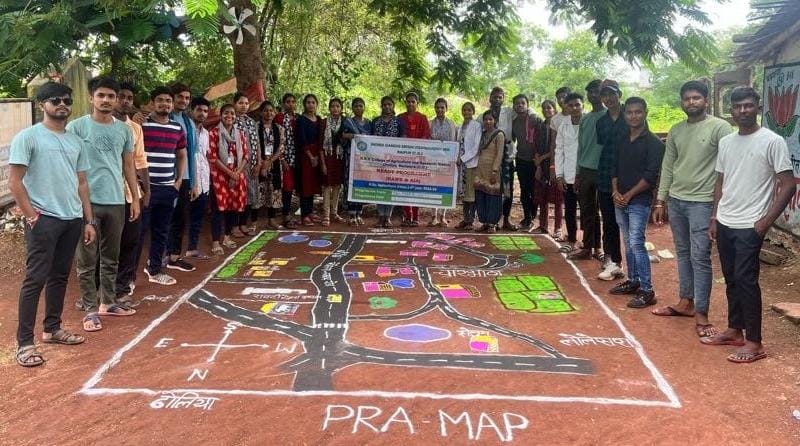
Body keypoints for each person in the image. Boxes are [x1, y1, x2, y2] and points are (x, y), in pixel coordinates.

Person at [701, 86, 794, 363]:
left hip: (750, 224)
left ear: (758, 106)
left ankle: (755, 342)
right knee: (731, 278)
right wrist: (715, 216)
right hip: (726, 220)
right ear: (731, 110)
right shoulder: (727, 142)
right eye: (738, 106)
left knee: (746, 280)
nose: (743, 110)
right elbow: (720, 181)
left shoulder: (772, 141)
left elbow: (788, 183)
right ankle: (734, 330)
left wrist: (766, 222)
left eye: (748, 105)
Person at [9, 82, 96, 367]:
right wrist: (32, 215)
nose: (62, 105)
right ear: (41, 104)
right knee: (35, 279)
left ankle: (52, 328)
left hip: (72, 219)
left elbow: (82, 183)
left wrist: (87, 219)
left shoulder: (75, 142)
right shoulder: (29, 137)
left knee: (60, 276)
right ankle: (24, 343)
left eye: (67, 101)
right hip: (44, 219)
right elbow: (15, 181)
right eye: (55, 100)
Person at [651, 80, 733, 337]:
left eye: (696, 98)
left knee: (700, 257)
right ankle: (685, 302)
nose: (691, 102)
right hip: (677, 200)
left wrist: (719, 210)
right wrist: (661, 200)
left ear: (706, 100)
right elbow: (668, 165)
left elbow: (727, 167)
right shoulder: (676, 130)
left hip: (703, 202)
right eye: (687, 99)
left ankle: (702, 314)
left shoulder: (720, 127)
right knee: (684, 253)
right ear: (682, 102)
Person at [68, 76, 139, 327]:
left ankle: (107, 302)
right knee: (86, 259)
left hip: (116, 201)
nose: (106, 100)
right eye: (101, 95)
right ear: (91, 98)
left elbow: (128, 165)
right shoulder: (76, 128)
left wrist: (135, 198)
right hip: (86, 202)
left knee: (111, 256)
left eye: (111, 96)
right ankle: (89, 310)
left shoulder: (124, 130)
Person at [610, 97, 665, 308]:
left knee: (636, 242)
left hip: (639, 201)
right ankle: (633, 281)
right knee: (627, 240)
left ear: (645, 113)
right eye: (630, 112)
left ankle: (647, 290)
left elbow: (650, 176)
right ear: (625, 115)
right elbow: (614, 167)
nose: (634, 116)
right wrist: (615, 191)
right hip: (620, 198)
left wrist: (629, 194)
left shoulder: (653, 144)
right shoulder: (622, 139)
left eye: (638, 112)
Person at [138, 86, 188, 286]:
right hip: (146, 188)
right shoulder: (142, 125)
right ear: (153, 103)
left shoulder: (177, 128)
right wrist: (140, 185)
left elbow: (182, 154)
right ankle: (128, 280)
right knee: (139, 233)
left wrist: (178, 181)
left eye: (168, 100)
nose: (165, 104)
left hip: (168, 188)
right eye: (160, 100)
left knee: (161, 231)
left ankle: (155, 269)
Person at [114, 82, 149, 306]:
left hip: (130, 193)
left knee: (130, 242)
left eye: (129, 97)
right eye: (121, 96)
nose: (125, 101)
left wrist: (146, 190)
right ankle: (97, 290)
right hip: (104, 196)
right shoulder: (90, 126)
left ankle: (122, 289)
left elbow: (140, 160)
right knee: (105, 245)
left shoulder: (135, 129)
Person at [569, 79, 606, 261]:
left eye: (597, 91)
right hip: (585, 170)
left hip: (604, 171)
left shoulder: (610, 117)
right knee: (586, 210)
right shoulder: (586, 119)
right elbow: (580, 147)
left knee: (603, 212)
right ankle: (587, 247)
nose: (594, 95)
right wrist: (577, 174)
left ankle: (600, 248)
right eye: (590, 92)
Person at [595, 79, 626, 281]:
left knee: (629, 222)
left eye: (611, 94)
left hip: (627, 175)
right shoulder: (601, 122)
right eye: (604, 95)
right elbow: (602, 147)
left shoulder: (631, 115)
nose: (608, 98)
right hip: (606, 173)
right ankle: (613, 259)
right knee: (609, 220)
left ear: (619, 94)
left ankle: (629, 264)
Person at [165, 83, 198, 273]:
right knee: (164, 217)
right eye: (180, 97)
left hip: (184, 176)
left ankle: (174, 256)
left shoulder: (188, 121)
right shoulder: (165, 118)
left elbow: (191, 154)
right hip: (166, 176)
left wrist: (193, 182)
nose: (183, 101)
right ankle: (158, 257)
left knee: (180, 217)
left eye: (187, 98)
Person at [208, 104, 249, 255]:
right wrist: (230, 174)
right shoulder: (214, 133)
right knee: (219, 210)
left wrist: (236, 173)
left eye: (232, 113)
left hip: (237, 176)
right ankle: (215, 242)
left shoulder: (240, 134)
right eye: (226, 113)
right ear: (221, 115)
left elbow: (245, 156)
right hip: (220, 177)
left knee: (233, 208)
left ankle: (227, 237)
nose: (229, 116)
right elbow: (213, 157)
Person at [511, 94, 548, 231]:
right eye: (517, 103)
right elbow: (512, 140)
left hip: (535, 160)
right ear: (514, 106)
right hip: (521, 159)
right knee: (524, 190)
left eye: (522, 103)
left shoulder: (535, 119)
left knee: (535, 189)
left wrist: (541, 159)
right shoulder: (514, 122)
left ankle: (532, 215)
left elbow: (543, 138)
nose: (520, 105)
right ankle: (527, 217)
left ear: (527, 105)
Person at [554, 93, 583, 253]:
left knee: (588, 210)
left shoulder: (588, 122)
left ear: (582, 105)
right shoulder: (563, 125)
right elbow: (559, 150)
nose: (574, 108)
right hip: (567, 175)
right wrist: (559, 175)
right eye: (571, 105)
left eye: (577, 105)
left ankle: (590, 243)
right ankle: (572, 240)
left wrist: (581, 174)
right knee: (570, 210)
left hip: (585, 176)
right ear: (566, 106)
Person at [398, 91, 431, 226]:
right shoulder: (399, 118)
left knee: (416, 187)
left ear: (417, 103)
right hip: (403, 159)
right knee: (405, 186)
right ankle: (407, 216)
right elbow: (396, 137)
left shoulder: (423, 118)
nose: (410, 104)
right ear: (405, 102)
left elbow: (426, 136)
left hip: (418, 159)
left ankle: (416, 217)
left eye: (413, 101)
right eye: (408, 101)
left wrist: (416, 148)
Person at [372, 96, 406, 227]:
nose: (387, 107)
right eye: (384, 104)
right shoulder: (375, 121)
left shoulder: (399, 122)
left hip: (393, 161)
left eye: (389, 104)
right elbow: (369, 139)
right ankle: (381, 216)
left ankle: (388, 217)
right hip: (377, 160)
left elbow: (403, 138)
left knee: (391, 188)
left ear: (393, 106)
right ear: (381, 106)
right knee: (379, 187)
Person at [185, 97, 211, 260]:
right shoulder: (185, 129)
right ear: (192, 110)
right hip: (187, 178)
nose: (202, 114)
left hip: (203, 179)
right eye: (199, 110)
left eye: (205, 111)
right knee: (178, 217)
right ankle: (170, 254)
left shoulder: (206, 133)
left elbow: (204, 156)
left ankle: (192, 248)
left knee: (197, 217)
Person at [488, 86, 518, 231]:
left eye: (500, 97)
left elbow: (524, 110)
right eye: (495, 97)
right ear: (490, 98)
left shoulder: (509, 112)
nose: (497, 99)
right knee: (493, 186)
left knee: (507, 188)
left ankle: (506, 219)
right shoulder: (485, 115)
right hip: (492, 154)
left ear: (503, 99)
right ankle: (493, 220)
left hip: (507, 154)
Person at [233, 92, 262, 235]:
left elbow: (257, 143)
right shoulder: (231, 120)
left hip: (252, 164)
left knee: (250, 194)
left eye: (246, 103)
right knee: (238, 194)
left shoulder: (251, 121)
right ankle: (234, 226)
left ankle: (244, 223)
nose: (244, 106)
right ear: (234, 104)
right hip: (238, 166)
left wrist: (259, 163)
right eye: (240, 103)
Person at [342, 97, 373, 225]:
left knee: (361, 184)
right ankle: (351, 214)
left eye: (361, 106)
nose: (358, 108)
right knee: (350, 183)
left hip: (364, 159)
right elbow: (343, 135)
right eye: (356, 106)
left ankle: (359, 213)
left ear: (364, 107)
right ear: (352, 108)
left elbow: (372, 139)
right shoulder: (348, 122)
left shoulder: (368, 123)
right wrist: (356, 136)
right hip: (351, 157)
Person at [474, 110, 506, 233]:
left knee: (493, 196)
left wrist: (494, 170)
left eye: (490, 119)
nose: (487, 122)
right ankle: (485, 222)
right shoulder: (482, 134)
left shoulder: (499, 135)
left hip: (493, 170)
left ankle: (493, 223)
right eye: (485, 119)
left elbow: (499, 154)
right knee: (481, 195)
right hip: (481, 169)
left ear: (495, 121)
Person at [257, 100, 286, 230]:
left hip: (274, 164)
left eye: (271, 110)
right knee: (259, 191)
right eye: (265, 110)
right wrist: (262, 163)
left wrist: (270, 162)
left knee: (273, 192)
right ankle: (253, 222)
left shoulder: (279, 129)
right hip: (258, 163)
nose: (269, 113)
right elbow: (254, 145)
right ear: (260, 112)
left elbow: (281, 147)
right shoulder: (256, 127)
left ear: (274, 113)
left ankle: (272, 220)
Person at [296, 94, 324, 226]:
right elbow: (301, 139)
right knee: (305, 185)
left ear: (316, 104)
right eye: (308, 102)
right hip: (306, 156)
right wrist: (311, 157)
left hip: (318, 154)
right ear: (304, 104)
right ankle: (304, 214)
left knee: (313, 184)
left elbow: (321, 138)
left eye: (313, 102)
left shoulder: (319, 119)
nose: (310, 105)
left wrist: (318, 155)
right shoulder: (301, 119)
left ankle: (311, 211)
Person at [536, 99, 563, 235]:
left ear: (554, 109)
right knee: (543, 197)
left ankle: (558, 227)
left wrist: (544, 157)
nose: (547, 110)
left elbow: (556, 146)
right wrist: (538, 162)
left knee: (558, 198)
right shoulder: (540, 125)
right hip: (542, 165)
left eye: (549, 108)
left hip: (555, 163)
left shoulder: (559, 124)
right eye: (544, 108)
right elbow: (537, 144)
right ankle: (543, 225)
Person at [429, 97, 457, 226]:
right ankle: (434, 216)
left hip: (447, 161)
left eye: (442, 107)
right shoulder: (430, 123)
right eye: (437, 107)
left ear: (446, 109)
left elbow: (453, 143)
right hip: (433, 161)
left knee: (446, 188)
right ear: (434, 108)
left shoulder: (452, 124)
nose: (440, 109)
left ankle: (443, 216)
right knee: (434, 188)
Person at [455, 102, 482, 229]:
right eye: (464, 110)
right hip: (461, 165)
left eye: (469, 110)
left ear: (473, 111)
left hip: (471, 163)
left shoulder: (477, 126)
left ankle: (471, 220)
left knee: (471, 193)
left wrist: (463, 159)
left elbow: (476, 147)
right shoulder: (460, 126)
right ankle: (465, 219)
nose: (467, 112)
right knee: (465, 193)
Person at [320, 98, 346, 226]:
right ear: (329, 108)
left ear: (341, 108)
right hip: (327, 156)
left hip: (339, 158)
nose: (335, 108)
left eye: (337, 106)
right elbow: (320, 145)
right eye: (333, 106)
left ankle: (334, 213)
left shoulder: (345, 122)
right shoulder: (324, 122)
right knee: (327, 186)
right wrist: (323, 163)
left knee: (337, 186)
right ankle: (326, 214)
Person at [275, 93, 299, 229]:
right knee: (287, 188)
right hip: (284, 158)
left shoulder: (298, 118)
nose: (291, 104)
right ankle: (285, 215)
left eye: (293, 101)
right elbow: (277, 139)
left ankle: (290, 214)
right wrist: (282, 159)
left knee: (293, 188)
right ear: (284, 103)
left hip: (297, 158)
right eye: (288, 101)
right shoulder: (279, 118)